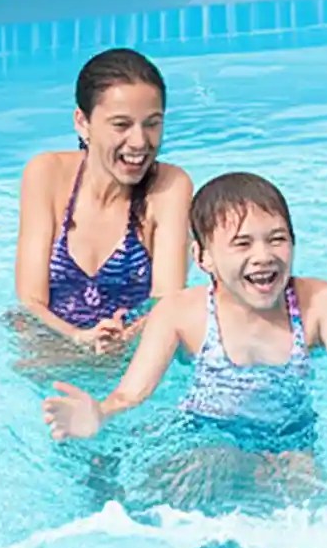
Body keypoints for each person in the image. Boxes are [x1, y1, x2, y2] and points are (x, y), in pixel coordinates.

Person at [41, 172, 327, 456]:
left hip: (291, 444)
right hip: (206, 436)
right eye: (242, 244)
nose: (264, 256)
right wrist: (98, 414)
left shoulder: (317, 303)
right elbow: (130, 396)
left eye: (277, 239)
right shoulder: (181, 313)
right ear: (203, 258)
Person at [13, 47, 193, 357]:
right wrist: (79, 339)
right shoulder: (46, 174)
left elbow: (167, 302)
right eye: (121, 125)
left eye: (152, 123)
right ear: (82, 123)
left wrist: (121, 340)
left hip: (130, 354)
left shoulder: (169, 188)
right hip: (53, 349)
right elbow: (30, 301)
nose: (140, 141)